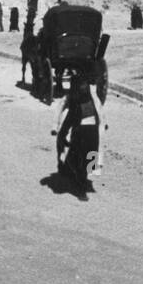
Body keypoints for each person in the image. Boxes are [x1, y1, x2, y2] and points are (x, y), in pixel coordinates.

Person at [54, 72, 106, 200]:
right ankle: (86, 173)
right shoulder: (91, 96)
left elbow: (68, 117)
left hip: (84, 131)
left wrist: (60, 132)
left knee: (75, 146)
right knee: (93, 151)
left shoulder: (74, 98)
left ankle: (78, 174)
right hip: (92, 131)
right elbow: (99, 111)